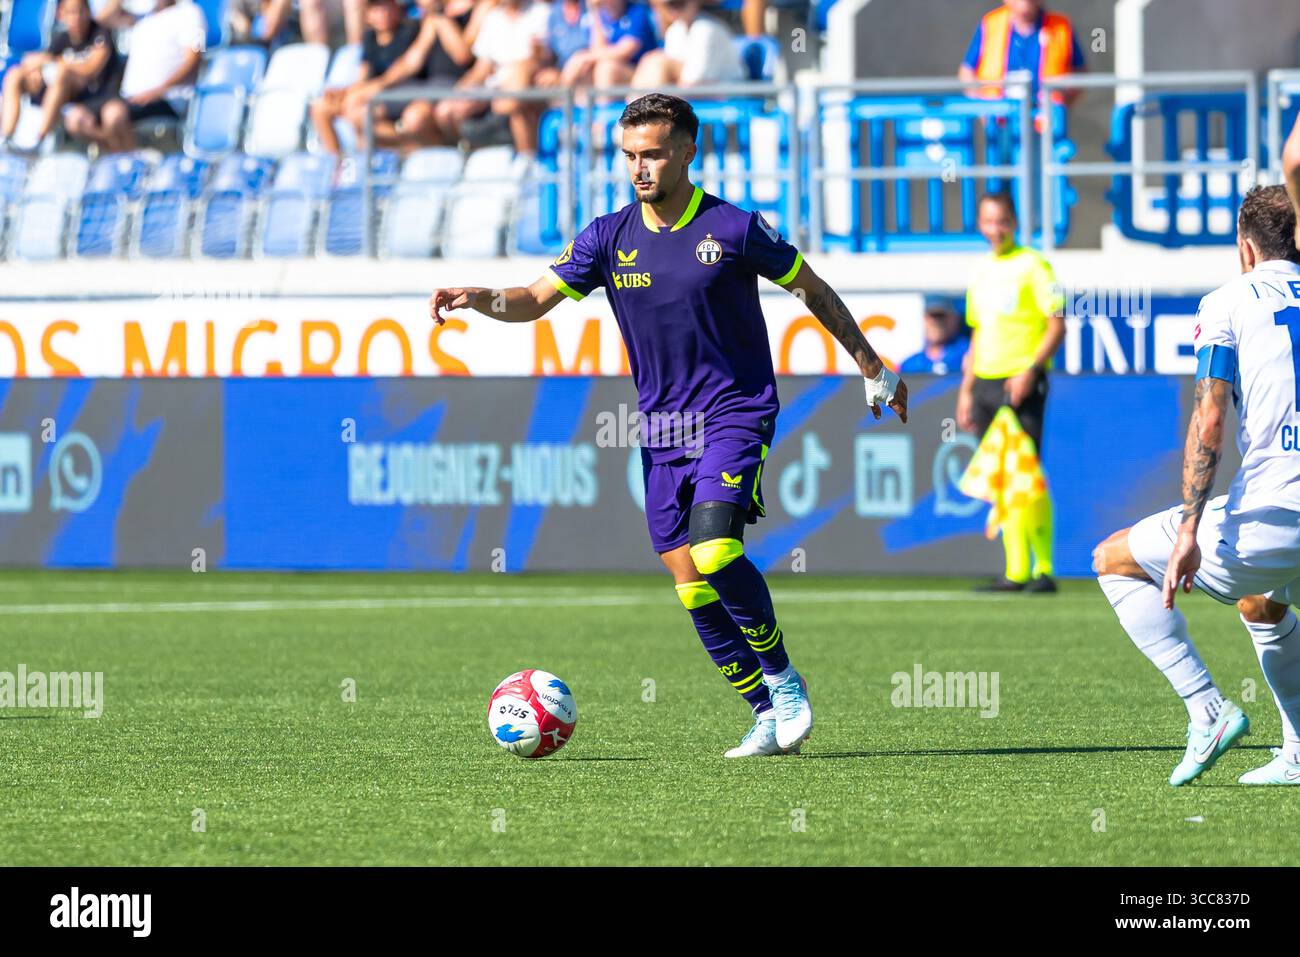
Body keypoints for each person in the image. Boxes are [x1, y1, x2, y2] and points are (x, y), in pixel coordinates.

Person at [429, 94, 907, 758]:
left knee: (715, 551)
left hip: (735, 411)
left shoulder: (734, 228)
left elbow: (811, 288)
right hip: (662, 429)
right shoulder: (607, 236)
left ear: (686, 150)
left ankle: (784, 679)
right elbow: (534, 300)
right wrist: (480, 298)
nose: (639, 168)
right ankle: (766, 713)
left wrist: (870, 363)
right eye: (629, 155)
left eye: (652, 153)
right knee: (689, 578)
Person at [1093, 185, 1300, 787]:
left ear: (1246, 247)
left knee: (1113, 560)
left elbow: (1211, 417)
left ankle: (1206, 708)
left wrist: (1189, 528)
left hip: (1272, 517)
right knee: (1263, 604)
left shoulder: (1227, 302)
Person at [957, 192, 1064, 593]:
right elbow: (978, 334)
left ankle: (1043, 569)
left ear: (1014, 222)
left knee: (1027, 474)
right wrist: (966, 390)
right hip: (985, 382)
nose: (995, 229)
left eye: (1001, 221)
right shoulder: (981, 271)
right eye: (987, 221)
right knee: (1003, 480)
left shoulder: (1034, 266)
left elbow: (1057, 324)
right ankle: (1016, 569)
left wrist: (1030, 370)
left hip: (1020, 382)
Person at [309, 0, 435, 155]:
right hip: (374, 93)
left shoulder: (410, 30)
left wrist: (369, 89)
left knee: (357, 112)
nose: (383, 13)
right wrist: (344, 92)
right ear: (367, 14)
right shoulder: (369, 38)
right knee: (320, 108)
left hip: (400, 91)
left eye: (385, 7)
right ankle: (338, 164)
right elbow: (363, 77)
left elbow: (404, 68)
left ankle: (408, 148)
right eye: (376, 9)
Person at [0, 0, 121, 150]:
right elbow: (33, 61)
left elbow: (91, 68)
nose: (76, 17)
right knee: (15, 75)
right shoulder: (61, 39)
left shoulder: (100, 33)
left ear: (88, 12)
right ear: (61, 14)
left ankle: (39, 139)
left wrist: (57, 62)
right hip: (57, 91)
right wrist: (38, 70)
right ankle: (6, 137)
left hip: (91, 95)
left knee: (62, 74)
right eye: (70, 12)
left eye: (80, 11)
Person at [88, 0, 205, 154]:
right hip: (131, 98)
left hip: (168, 99)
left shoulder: (191, 13)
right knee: (77, 116)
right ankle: (122, 162)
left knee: (113, 114)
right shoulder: (144, 15)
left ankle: (132, 164)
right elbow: (102, 19)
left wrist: (159, 91)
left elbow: (194, 60)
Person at [455, 0, 552, 154]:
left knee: (519, 99)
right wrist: (461, 91)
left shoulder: (542, 12)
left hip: (530, 84)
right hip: (496, 89)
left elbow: (542, 58)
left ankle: (527, 160)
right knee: (453, 107)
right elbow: (482, 68)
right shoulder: (493, 18)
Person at [958, 0, 1084, 109]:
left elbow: (1080, 73)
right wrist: (983, 107)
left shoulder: (1061, 26)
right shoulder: (990, 24)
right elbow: (967, 72)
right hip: (1000, 121)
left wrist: (1063, 99)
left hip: (1046, 123)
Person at [546, 0, 657, 89]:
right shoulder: (598, 17)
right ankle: (569, 111)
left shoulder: (637, 12)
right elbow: (598, 49)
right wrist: (595, 11)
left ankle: (603, 114)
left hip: (638, 73)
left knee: (606, 68)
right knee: (587, 70)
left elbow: (625, 51)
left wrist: (583, 57)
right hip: (612, 72)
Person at [632, 0, 742, 88]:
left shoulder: (707, 29)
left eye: (680, 2)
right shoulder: (675, 30)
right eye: (669, 4)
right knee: (651, 60)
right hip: (700, 97)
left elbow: (692, 84)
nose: (674, 7)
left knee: (656, 62)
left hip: (727, 101)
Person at [899, 297, 970, 375]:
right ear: (924, 319)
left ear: (954, 319)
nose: (936, 323)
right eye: (933, 316)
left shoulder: (969, 354)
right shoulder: (910, 365)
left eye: (941, 316)